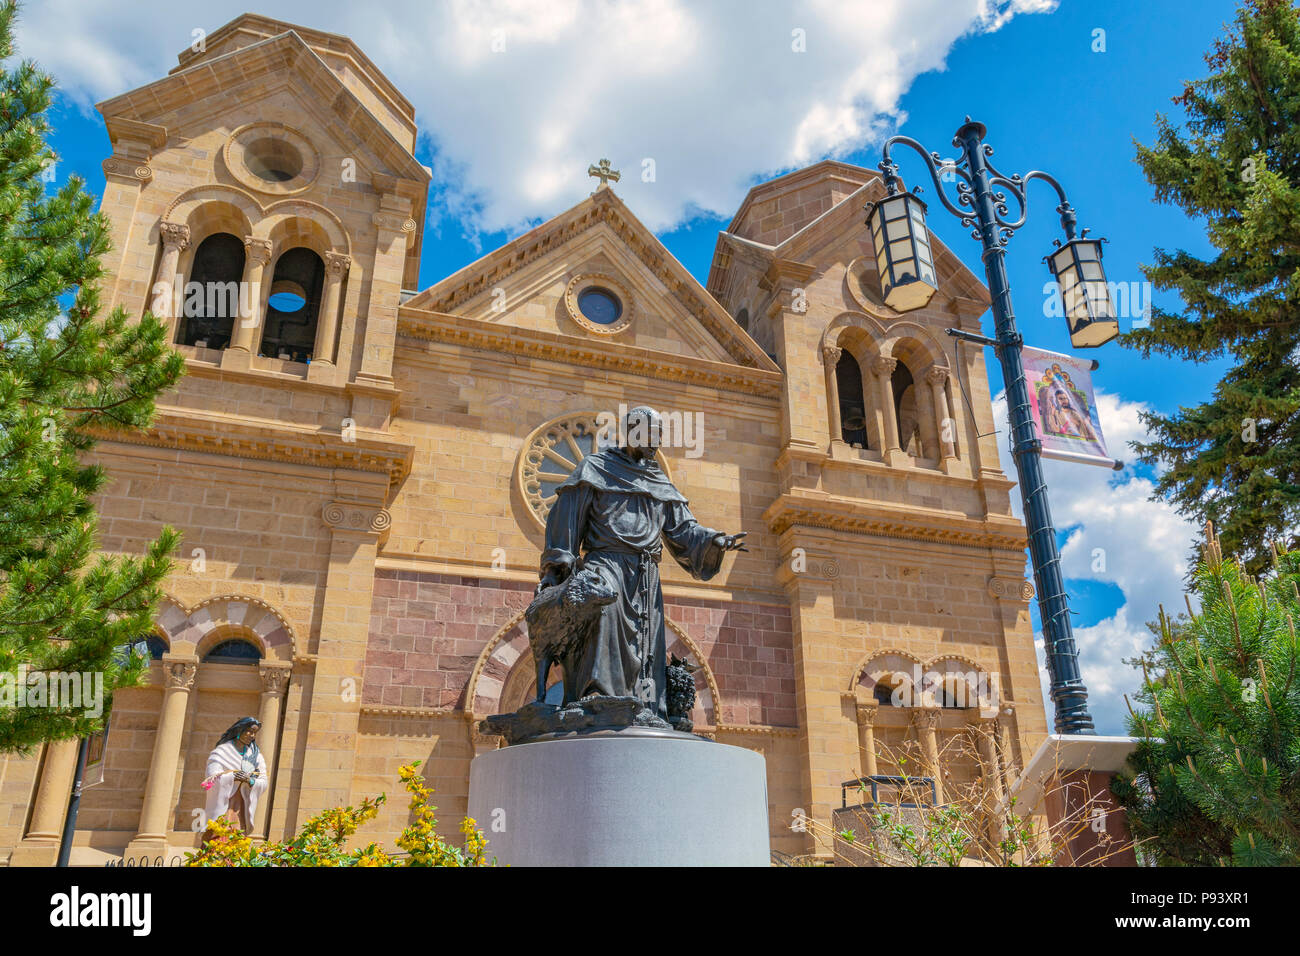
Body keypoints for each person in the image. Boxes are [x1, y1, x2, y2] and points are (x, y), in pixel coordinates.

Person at [537, 406, 746, 719]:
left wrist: (715, 541)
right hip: (604, 564)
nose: (654, 443)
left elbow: (683, 530)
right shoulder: (596, 467)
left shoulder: (657, 481)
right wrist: (557, 568)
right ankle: (597, 696)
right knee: (603, 612)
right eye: (648, 435)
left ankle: (647, 707)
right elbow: (566, 518)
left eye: (658, 437)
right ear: (631, 432)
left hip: (646, 575)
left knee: (646, 644)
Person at [201, 716, 268, 843]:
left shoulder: (256, 756)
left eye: (254, 733)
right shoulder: (222, 751)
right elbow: (211, 776)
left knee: (237, 834)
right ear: (239, 730)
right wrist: (232, 776)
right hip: (224, 803)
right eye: (249, 731)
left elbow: (264, 781)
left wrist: (250, 781)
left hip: (242, 804)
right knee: (219, 834)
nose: (252, 735)